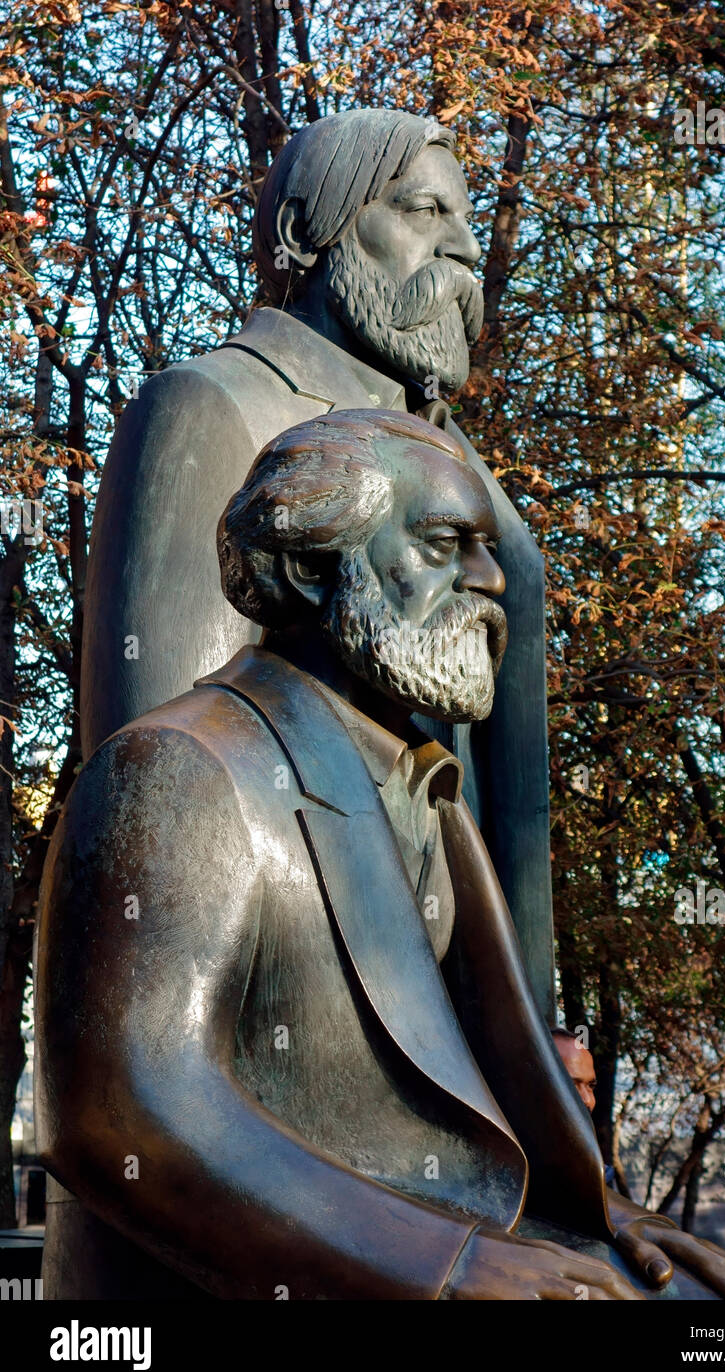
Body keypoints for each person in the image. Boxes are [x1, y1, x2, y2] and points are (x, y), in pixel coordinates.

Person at [37, 410, 725, 1301]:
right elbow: (123, 1115)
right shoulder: (183, 768)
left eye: (488, 547)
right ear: (312, 569)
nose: (490, 578)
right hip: (302, 1277)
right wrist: (443, 1264)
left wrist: (610, 1216)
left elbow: (489, 1065)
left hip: (461, 1231)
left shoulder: (428, 790)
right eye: (446, 543)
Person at [81, 108, 554, 1015]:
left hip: (467, 1056)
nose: (461, 251)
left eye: (465, 220)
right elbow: (167, 795)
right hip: (283, 1022)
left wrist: (531, 1055)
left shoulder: (481, 493)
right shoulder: (215, 409)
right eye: (422, 211)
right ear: (306, 233)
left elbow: (513, 824)